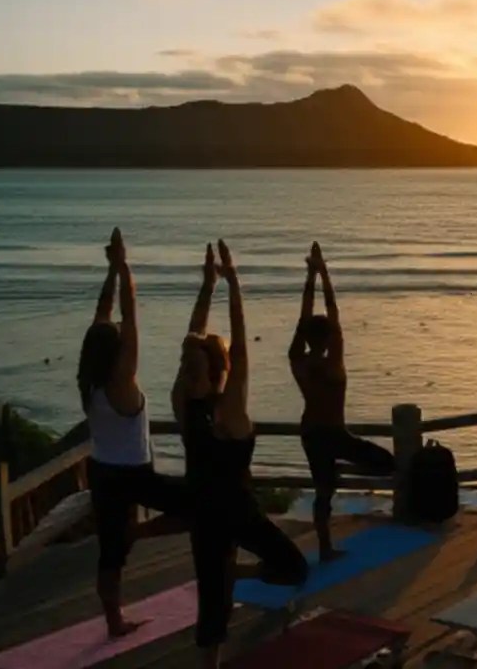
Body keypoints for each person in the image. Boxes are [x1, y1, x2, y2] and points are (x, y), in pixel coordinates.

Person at [173, 241, 308, 668]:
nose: (185, 371)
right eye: (185, 367)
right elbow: (190, 341)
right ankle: (211, 658)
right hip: (211, 514)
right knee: (212, 605)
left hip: (235, 512)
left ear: (215, 373)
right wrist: (211, 285)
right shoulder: (188, 404)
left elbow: (241, 355)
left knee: (293, 568)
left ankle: (237, 576)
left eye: (194, 368)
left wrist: (231, 286)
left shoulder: (225, 408)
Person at [79, 227, 190, 638]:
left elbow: (104, 313)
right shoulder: (121, 381)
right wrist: (125, 269)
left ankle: (114, 623)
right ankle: (138, 531)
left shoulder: (89, 380)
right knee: (201, 504)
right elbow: (130, 313)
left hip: (102, 473)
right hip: (133, 474)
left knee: (109, 556)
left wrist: (111, 271)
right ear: (117, 350)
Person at [290, 242, 394, 560]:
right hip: (333, 435)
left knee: (324, 492)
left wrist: (311, 275)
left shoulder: (299, 361)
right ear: (328, 339)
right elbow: (332, 314)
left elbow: (303, 316)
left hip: (311, 433)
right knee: (389, 463)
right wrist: (324, 273)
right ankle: (326, 545)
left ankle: (325, 548)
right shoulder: (333, 363)